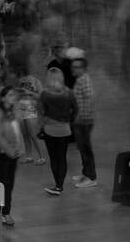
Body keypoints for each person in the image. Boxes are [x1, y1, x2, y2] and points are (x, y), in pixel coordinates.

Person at [0, 86, 23, 232]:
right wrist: (9, 150)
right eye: (10, 95)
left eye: (14, 94)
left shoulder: (13, 112)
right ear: (3, 98)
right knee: (0, 185)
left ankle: (6, 213)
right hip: (1, 153)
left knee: (10, 184)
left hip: (14, 153)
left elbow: (18, 132)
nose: (13, 97)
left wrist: (18, 150)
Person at [39, 66, 77, 196]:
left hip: (50, 130)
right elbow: (76, 110)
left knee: (53, 158)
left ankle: (57, 185)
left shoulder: (44, 94)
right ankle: (60, 185)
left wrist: (43, 124)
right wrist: (69, 121)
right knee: (62, 158)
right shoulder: (69, 93)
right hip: (65, 129)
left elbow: (40, 112)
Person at [70, 57, 98, 188]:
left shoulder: (84, 80)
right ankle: (85, 173)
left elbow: (90, 98)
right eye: (73, 66)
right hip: (80, 120)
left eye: (76, 67)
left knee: (86, 149)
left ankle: (91, 177)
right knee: (82, 148)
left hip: (84, 120)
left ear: (83, 69)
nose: (73, 69)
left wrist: (81, 117)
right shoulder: (80, 79)